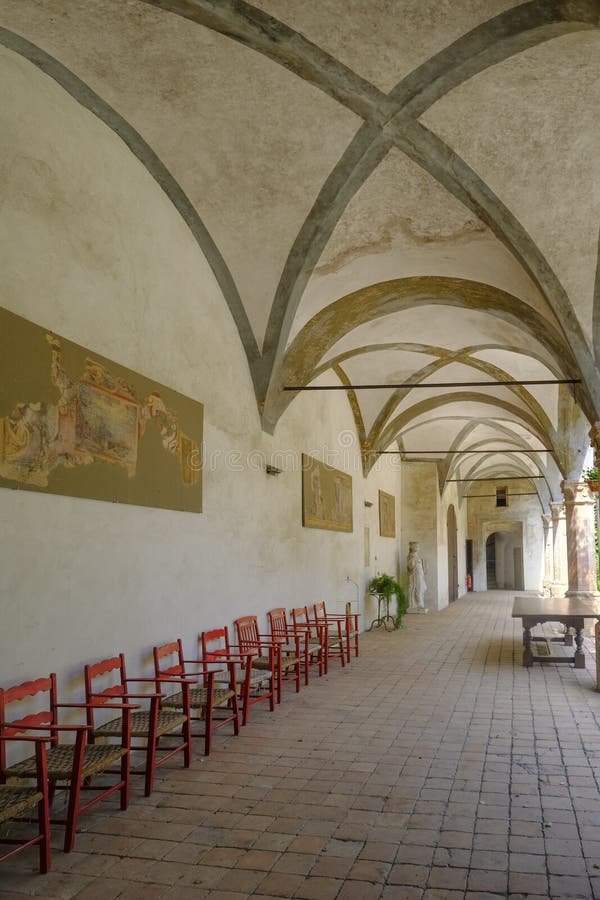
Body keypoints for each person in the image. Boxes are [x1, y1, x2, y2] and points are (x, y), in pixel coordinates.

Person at [407, 541, 427, 609]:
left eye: (418, 546)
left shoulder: (416, 556)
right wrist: (415, 561)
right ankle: (418, 603)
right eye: (416, 546)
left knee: (423, 587)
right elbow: (410, 566)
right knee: (418, 588)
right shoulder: (411, 556)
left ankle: (419, 602)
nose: (418, 548)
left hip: (420, 574)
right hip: (415, 575)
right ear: (412, 547)